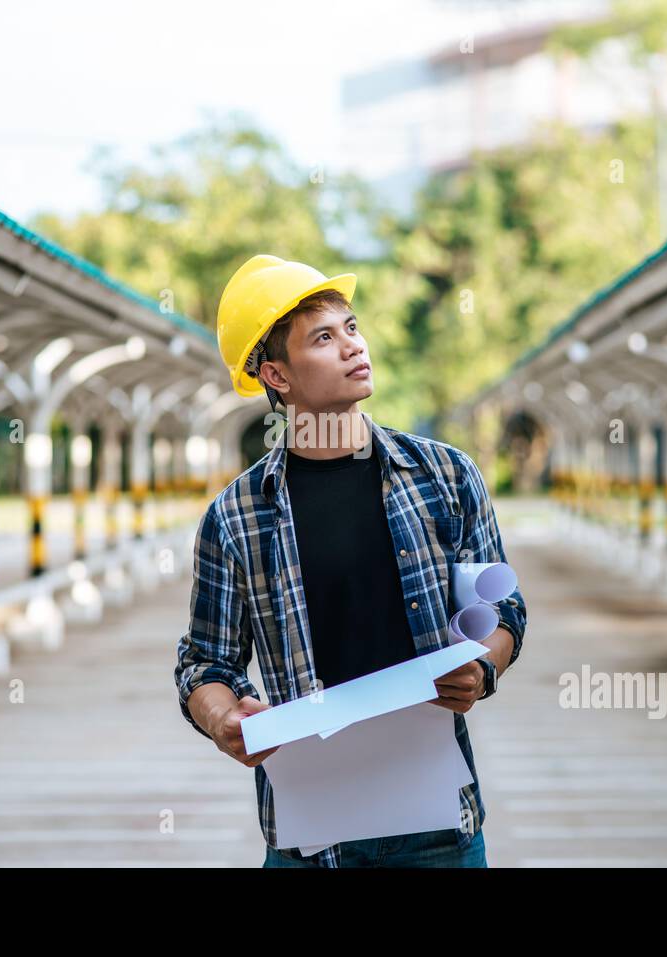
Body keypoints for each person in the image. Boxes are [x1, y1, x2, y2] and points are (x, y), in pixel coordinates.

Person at [174, 254, 526, 868]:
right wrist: (223, 716)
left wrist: (483, 667)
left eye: (352, 328)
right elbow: (205, 661)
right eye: (323, 338)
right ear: (277, 376)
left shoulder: (445, 477)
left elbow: (505, 613)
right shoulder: (235, 517)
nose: (352, 347)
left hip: (439, 828)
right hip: (311, 838)